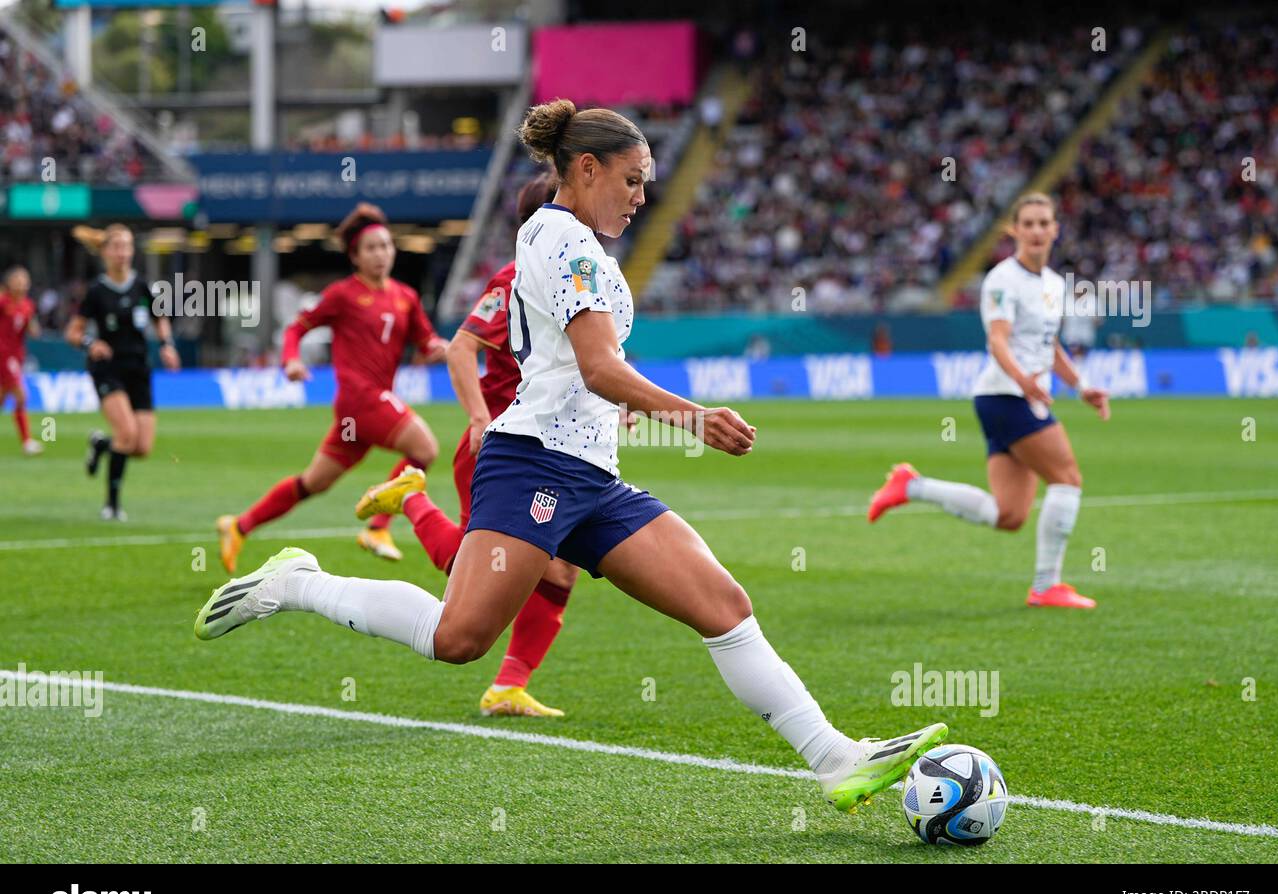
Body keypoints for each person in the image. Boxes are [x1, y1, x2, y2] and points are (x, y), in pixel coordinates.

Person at [196, 99, 947, 815]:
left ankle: (837, 760)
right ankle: (297, 582)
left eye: (647, 182)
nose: (641, 197)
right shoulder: (561, 239)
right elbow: (596, 367)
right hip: (535, 465)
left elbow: (586, 368)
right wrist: (694, 418)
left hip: (592, 476)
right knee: (459, 639)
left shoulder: (575, 245)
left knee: (724, 607)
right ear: (585, 169)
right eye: (632, 179)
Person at [356, 174, 579, 718]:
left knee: (559, 569)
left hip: (553, 454)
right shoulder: (514, 278)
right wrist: (480, 417)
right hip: (499, 451)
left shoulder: (576, 277)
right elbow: (460, 350)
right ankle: (411, 497)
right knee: (473, 578)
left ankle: (508, 685)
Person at [868, 193, 1111, 608]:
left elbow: (1047, 345)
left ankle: (912, 486)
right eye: (1028, 223)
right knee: (1067, 479)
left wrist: (1080, 384)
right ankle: (1046, 586)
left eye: (1043, 223)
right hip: (1006, 395)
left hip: (1017, 396)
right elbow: (998, 340)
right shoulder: (1002, 279)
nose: (1036, 231)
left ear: (1055, 229)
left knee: (1009, 515)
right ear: (1015, 230)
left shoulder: (1053, 284)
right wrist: (1024, 381)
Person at [215, 203, 448, 573]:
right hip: (360, 399)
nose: (380, 253)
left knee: (314, 482)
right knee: (425, 448)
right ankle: (377, 526)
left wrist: (446, 349)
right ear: (354, 256)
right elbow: (296, 328)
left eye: (385, 246)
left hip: (363, 414)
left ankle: (239, 526)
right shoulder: (343, 295)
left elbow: (428, 342)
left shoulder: (406, 297)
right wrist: (291, 359)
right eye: (371, 248)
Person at [65, 225, 181, 519]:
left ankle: (101, 444)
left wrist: (166, 345)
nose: (122, 253)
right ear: (105, 252)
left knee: (141, 447)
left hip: (138, 368)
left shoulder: (142, 286)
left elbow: (160, 318)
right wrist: (91, 342)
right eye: (116, 247)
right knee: (126, 433)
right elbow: (74, 332)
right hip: (108, 369)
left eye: (127, 246)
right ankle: (112, 505)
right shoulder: (97, 291)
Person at [0, 266, 43, 456]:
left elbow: (33, 331)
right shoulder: (3, 302)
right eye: (17, 279)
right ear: (9, 283)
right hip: (3, 355)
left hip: (16, 356)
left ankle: (26, 442)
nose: (21, 283)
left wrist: (32, 324)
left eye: (24, 279)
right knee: (21, 396)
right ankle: (27, 442)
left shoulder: (27, 305)